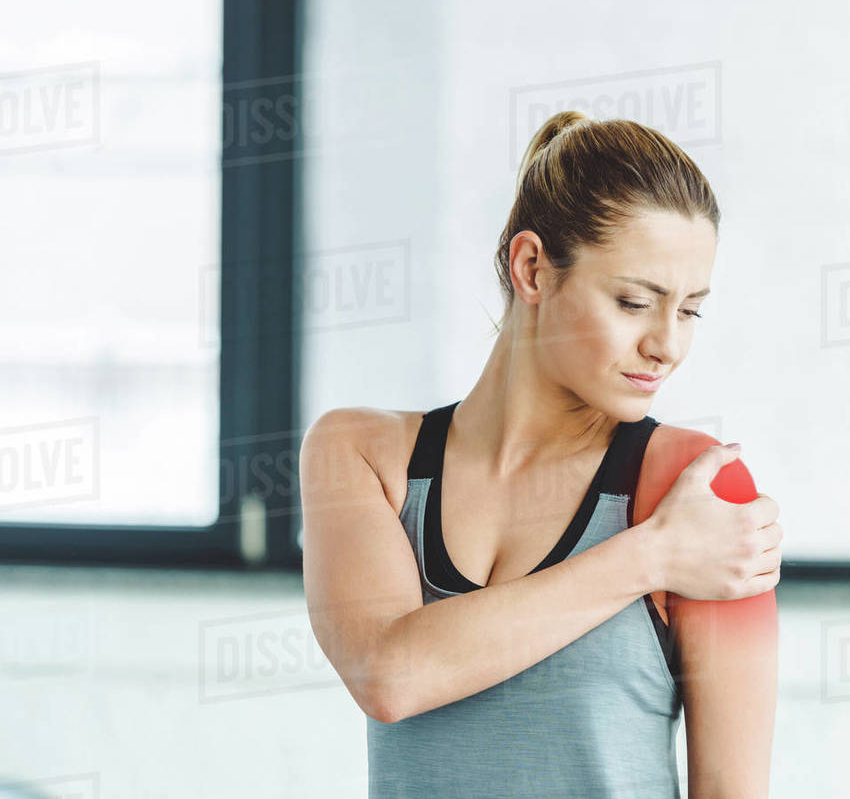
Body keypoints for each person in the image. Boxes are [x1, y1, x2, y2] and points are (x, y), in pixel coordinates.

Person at [299, 111, 783, 799]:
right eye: (635, 301)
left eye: (689, 311)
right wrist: (650, 556)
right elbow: (390, 675)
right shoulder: (364, 456)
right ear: (532, 268)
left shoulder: (692, 486)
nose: (667, 344)